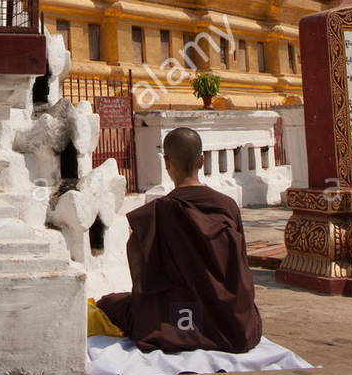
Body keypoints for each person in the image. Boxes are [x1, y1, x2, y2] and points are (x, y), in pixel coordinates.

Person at [93, 126, 263, 353]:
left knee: (109, 304)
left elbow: (145, 276)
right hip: (229, 322)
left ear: (167, 162)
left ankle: (183, 329)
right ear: (202, 161)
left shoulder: (159, 212)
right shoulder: (226, 206)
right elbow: (239, 269)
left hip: (177, 316)